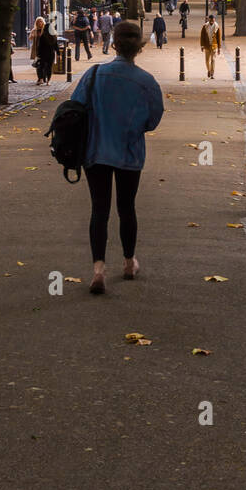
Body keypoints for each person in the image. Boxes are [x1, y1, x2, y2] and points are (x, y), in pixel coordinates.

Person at [74, 20, 164, 294]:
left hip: (96, 151)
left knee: (99, 210)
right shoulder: (146, 82)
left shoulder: (94, 74)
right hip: (129, 153)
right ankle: (128, 262)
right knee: (127, 208)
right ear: (138, 47)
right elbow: (153, 120)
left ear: (114, 43)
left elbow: (77, 107)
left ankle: (98, 270)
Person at [34, 18, 58, 85]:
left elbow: (40, 46)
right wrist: (58, 53)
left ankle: (41, 79)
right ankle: (48, 81)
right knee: (49, 67)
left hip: (43, 54)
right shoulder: (54, 36)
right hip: (51, 54)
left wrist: (38, 54)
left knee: (41, 66)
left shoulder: (42, 36)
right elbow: (56, 46)